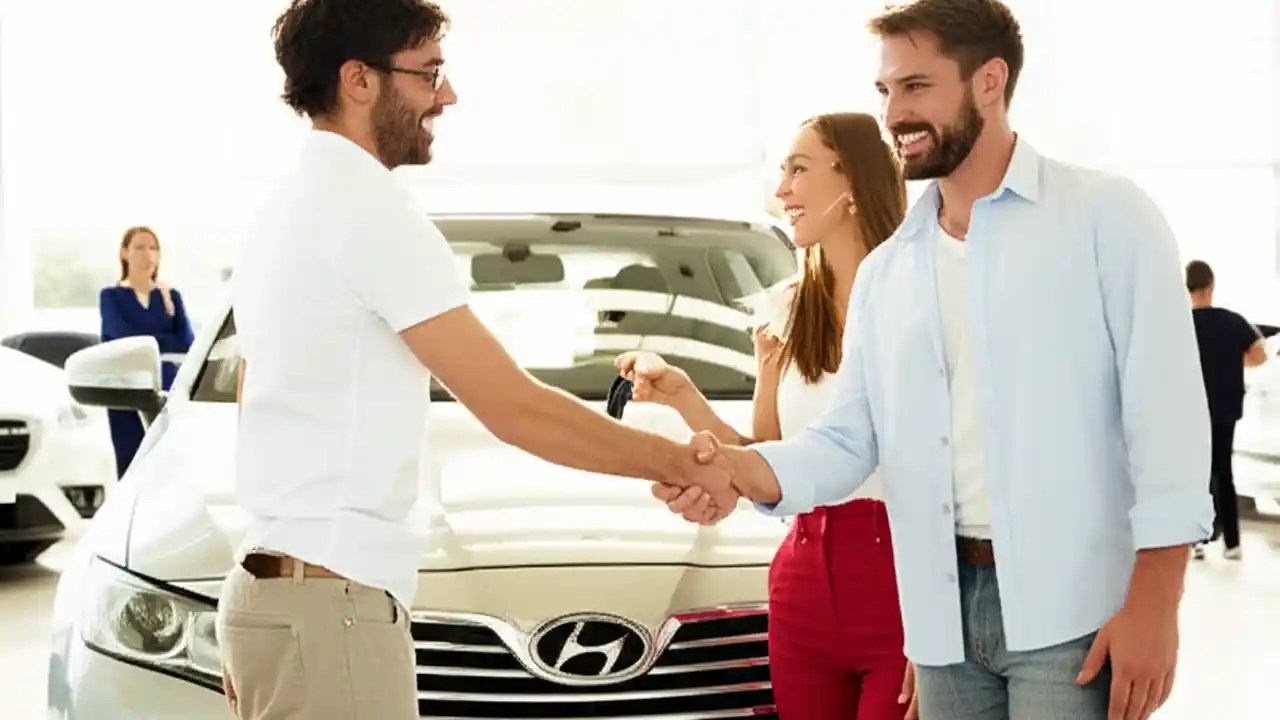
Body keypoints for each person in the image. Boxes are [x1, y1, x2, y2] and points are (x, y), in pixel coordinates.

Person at [655, 1, 1214, 718]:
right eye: (885, 91)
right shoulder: (893, 271)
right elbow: (847, 440)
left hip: (1074, 616)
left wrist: (1156, 603)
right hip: (940, 621)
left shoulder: (1105, 217)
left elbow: (1167, 421)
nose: (893, 114)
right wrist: (735, 470)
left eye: (916, 87)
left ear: (989, 81)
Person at [218, 2, 731, 718]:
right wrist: (682, 463)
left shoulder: (284, 209)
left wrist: (265, 626)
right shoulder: (372, 212)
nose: (447, 96)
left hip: (276, 598)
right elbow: (512, 407)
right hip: (329, 604)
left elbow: (254, 399)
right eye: (429, 75)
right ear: (358, 80)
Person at [616, 113, 912, 719]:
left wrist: (942, 628)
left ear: (851, 179)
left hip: (901, 579)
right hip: (802, 583)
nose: (781, 191)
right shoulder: (783, 313)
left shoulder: (919, 300)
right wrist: (684, 398)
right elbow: (771, 456)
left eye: (798, 170)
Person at [1185, 259, 1267, 561]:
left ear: (1188, 288)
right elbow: (1259, 354)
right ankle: (1232, 543)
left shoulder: (1180, 323)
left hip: (1192, 410)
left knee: (1197, 475)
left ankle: (1199, 540)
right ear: (1211, 286)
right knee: (1223, 472)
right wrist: (1234, 361)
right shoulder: (1232, 321)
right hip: (1226, 407)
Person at [99, 226, 195, 477]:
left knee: (170, 467)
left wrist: (170, 310)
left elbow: (186, 342)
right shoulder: (111, 297)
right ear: (124, 253)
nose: (147, 254)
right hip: (127, 390)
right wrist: (165, 340)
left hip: (167, 390)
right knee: (133, 467)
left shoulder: (170, 297)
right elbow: (123, 338)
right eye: (139, 247)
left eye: (153, 248)